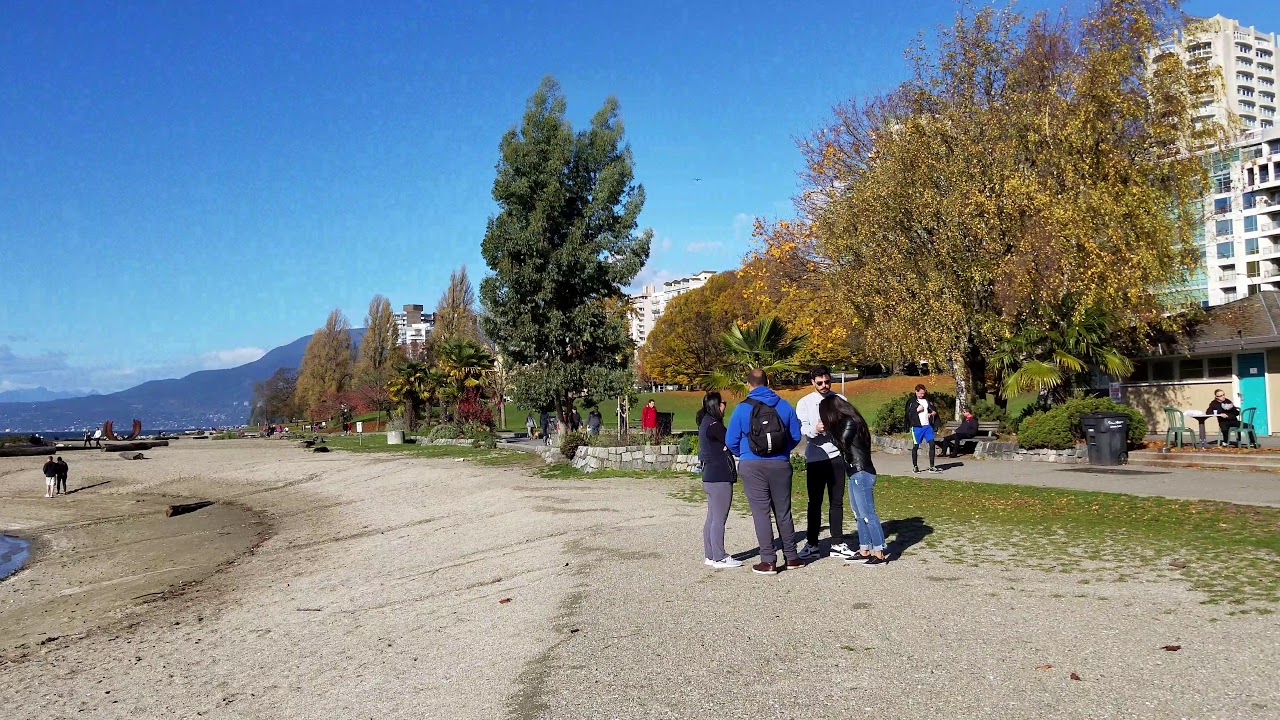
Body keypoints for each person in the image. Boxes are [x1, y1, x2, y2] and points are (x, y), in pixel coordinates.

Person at [725, 369, 803, 575]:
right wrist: (782, 451)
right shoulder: (784, 405)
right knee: (783, 512)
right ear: (768, 382)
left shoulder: (742, 409)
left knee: (761, 513)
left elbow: (730, 440)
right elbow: (795, 435)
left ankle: (768, 560)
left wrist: (744, 453)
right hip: (780, 464)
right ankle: (792, 557)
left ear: (749, 385)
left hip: (752, 465)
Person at [820, 395, 889, 565]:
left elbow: (842, 443)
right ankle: (864, 548)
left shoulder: (850, 422)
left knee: (868, 514)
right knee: (858, 514)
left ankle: (879, 551)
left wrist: (828, 431)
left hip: (861, 472)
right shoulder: (848, 422)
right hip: (853, 472)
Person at [795, 365, 853, 560]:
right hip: (816, 457)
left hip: (837, 456)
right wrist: (816, 428)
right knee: (815, 502)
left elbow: (850, 424)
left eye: (827, 381)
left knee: (836, 501)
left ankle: (838, 542)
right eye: (819, 383)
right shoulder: (804, 402)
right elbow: (802, 428)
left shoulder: (840, 400)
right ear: (812, 382)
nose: (824, 385)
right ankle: (812, 543)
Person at [698, 391, 742, 569]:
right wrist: (727, 447)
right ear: (717, 405)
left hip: (709, 477)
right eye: (723, 403)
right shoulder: (715, 425)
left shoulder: (705, 423)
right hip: (719, 477)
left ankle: (710, 554)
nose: (725, 406)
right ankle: (719, 556)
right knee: (719, 518)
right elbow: (733, 442)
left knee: (711, 518)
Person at [906, 384, 941, 473]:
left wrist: (932, 413)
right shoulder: (912, 401)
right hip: (917, 427)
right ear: (916, 392)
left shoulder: (927, 400)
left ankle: (932, 466)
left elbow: (933, 410)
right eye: (920, 393)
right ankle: (915, 466)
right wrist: (917, 410)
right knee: (916, 446)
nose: (922, 395)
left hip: (927, 426)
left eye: (923, 393)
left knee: (932, 444)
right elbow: (908, 414)